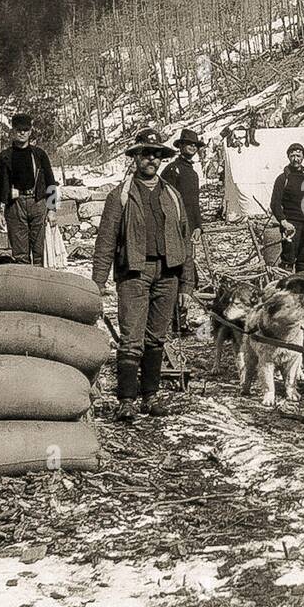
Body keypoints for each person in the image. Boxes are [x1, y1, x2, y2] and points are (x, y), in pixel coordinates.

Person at [92, 127, 191, 420]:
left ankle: (151, 395)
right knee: (131, 338)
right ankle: (126, 400)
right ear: (135, 157)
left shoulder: (172, 195)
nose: (151, 159)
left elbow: (185, 241)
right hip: (134, 272)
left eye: (156, 154)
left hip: (168, 274)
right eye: (145, 154)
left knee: (156, 338)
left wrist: (186, 283)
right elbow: (106, 241)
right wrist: (96, 285)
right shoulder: (120, 196)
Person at [0, 113, 57, 265]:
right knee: (20, 255)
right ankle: (24, 287)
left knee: (40, 252)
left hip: (38, 202)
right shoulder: (4, 157)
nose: (22, 133)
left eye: (25, 129)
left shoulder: (39, 155)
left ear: (30, 131)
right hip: (15, 205)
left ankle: (40, 286)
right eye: (19, 129)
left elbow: (50, 182)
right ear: (12, 131)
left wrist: (52, 209)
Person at [162, 128, 205, 331]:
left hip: (189, 228)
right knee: (175, 271)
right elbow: (164, 201)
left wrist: (198, 226)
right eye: (188, 143)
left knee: (188, 274)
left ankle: (181, 319)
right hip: (174, 228)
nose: (192, 147)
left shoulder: (193, 173)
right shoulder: (172, 170)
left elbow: (194, 204)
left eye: (195, 144)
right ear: (180, 146)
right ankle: (172, 320)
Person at [269, 143, 304, 273]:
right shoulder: (283, 178)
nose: (295, 159)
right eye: (292, 155)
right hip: (291, 223)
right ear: (288, 157)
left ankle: (301, 287)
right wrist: (283, 221)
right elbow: (275, 203)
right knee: (288, 257)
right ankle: (286, 287)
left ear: (303, 157)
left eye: (298, 155)